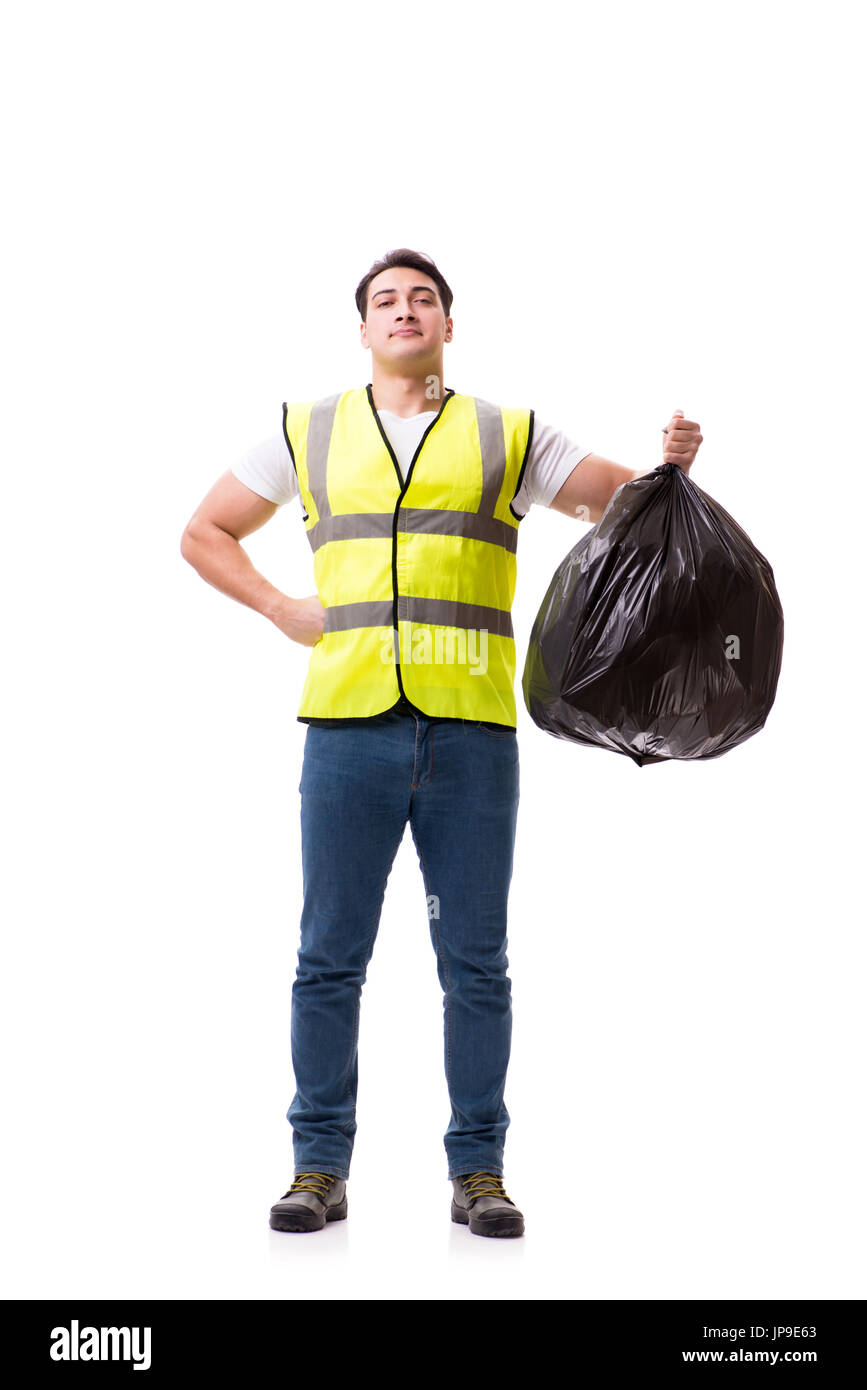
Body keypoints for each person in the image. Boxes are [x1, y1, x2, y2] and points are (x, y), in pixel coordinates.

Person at [180, 248, 703, 1238]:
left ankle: (481, 1173)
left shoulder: (509, 433)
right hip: (347, 730)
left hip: (469, 736)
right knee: (326, 956)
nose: (404, 310)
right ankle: (317, 1168)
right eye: (386, 300)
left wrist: (669, 471)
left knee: (475, 960)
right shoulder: (310, 428)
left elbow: (621, 507)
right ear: (365, 329)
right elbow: (204, 530)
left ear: (449, 326)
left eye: (423, 298)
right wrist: (279, 606)